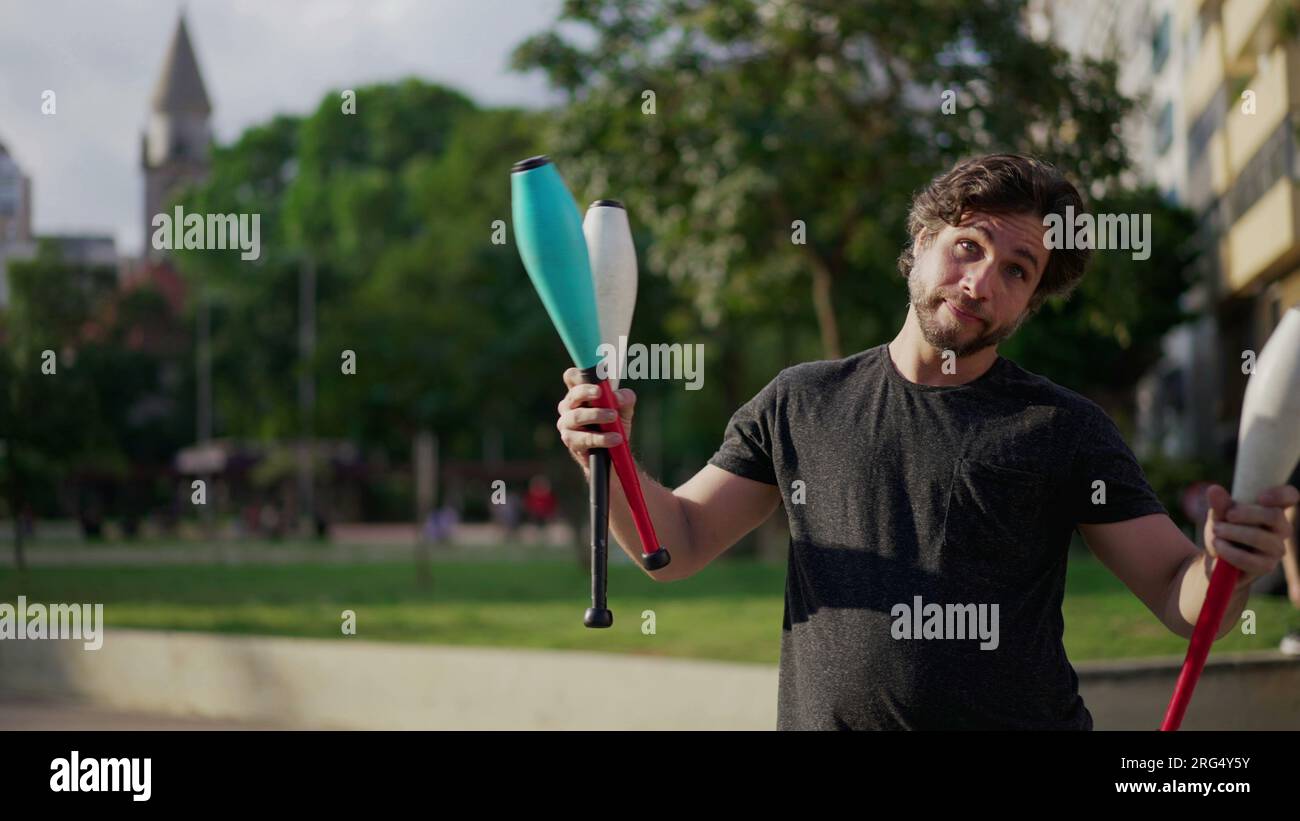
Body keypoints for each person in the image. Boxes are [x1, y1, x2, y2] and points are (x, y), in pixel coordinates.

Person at [554, 154, 1299, 730]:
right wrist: (604, 455)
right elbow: (674, 543)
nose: (981, 283)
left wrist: (1230, 560)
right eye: (968, 246)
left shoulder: (1065, 428)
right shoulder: (800, 401)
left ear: (1031, 300)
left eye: (1017, 270)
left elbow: (1181, 598)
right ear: (921, 240)